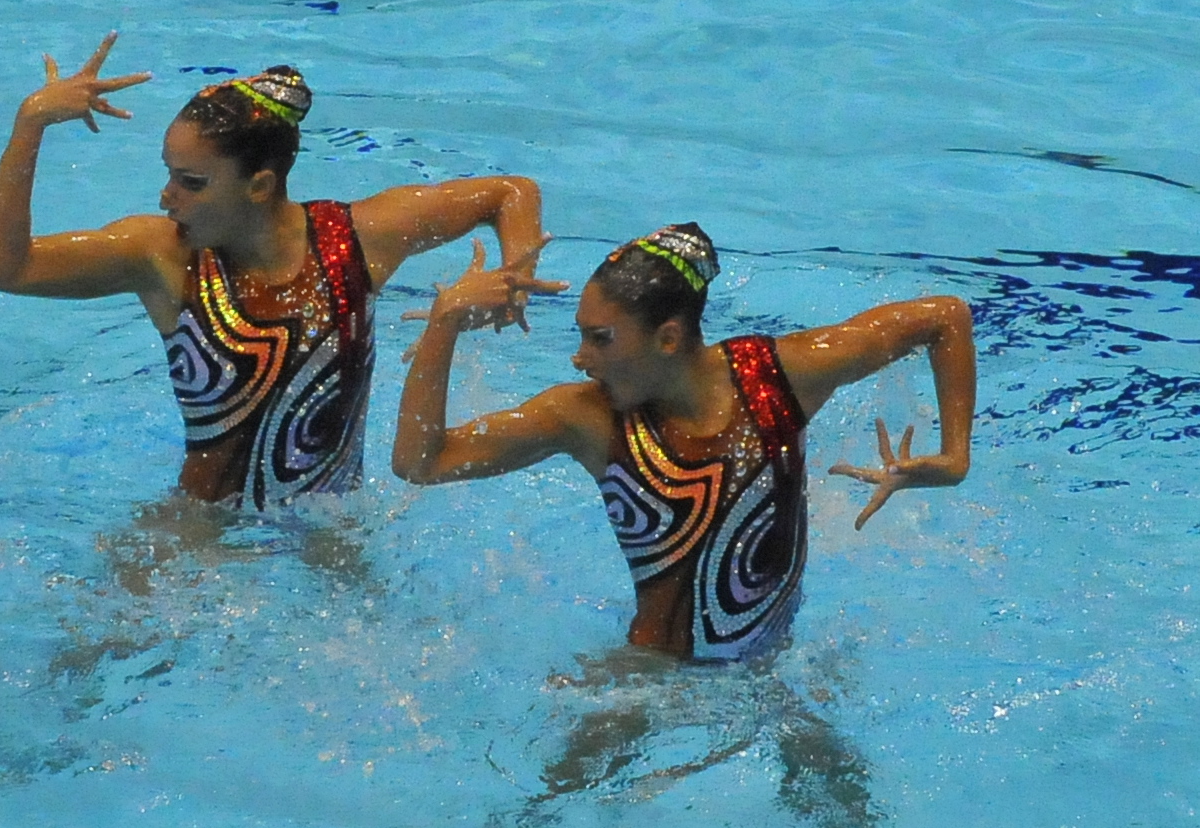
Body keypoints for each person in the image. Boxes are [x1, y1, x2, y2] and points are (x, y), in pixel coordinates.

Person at [0, 33, 545, 507]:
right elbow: (6, 270)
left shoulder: (356, 240)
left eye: (191, 183)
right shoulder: (160, 256)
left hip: (329, 529)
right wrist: (31, 125)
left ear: (260, 186)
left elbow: (510, 193)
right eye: (170, 174)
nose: (167, 196)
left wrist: (512, 286)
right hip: (201, 529)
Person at [393, 223, 976, 661]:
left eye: (600, 339)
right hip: (653, 680)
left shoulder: (779, 379)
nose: (580, 358)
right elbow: (422, 462)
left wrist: (954, 457)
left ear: (668, 338)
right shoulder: (585, 418)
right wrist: (445, 322)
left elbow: (944, 318)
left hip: (775, 664)